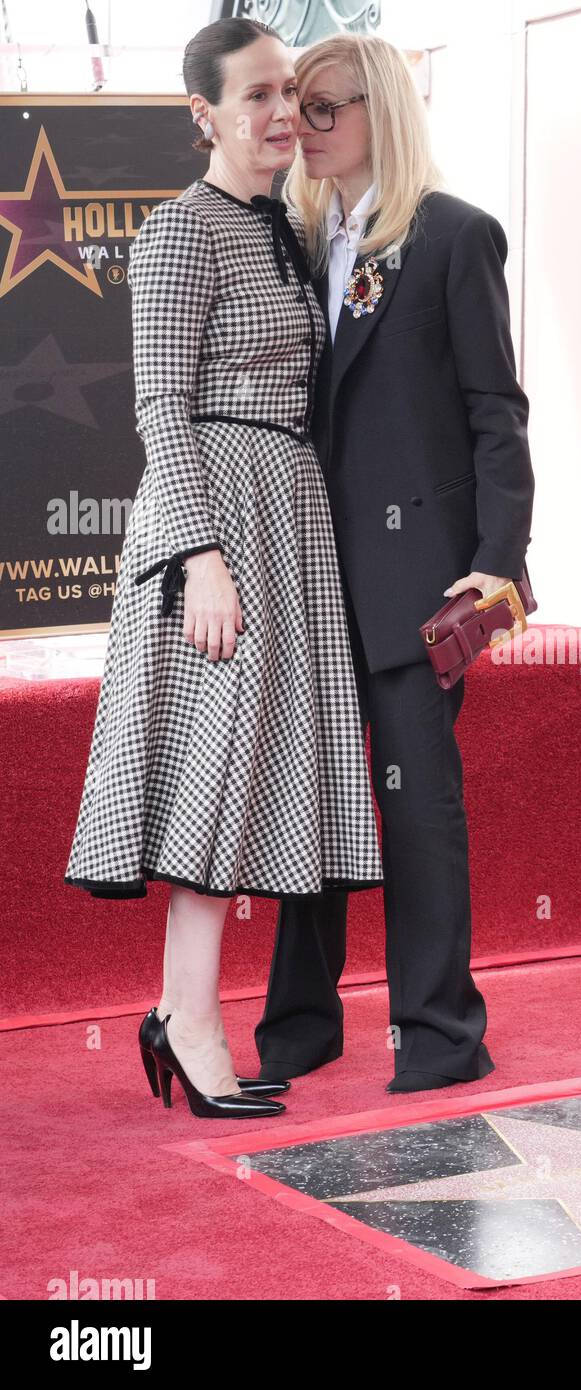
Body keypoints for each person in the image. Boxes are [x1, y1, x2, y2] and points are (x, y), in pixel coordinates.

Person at [63, 17, 383, 1118]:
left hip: (284, 518)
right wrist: (202, 557)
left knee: (246, 782)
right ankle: (187, 1020)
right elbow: (159, 402)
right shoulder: (180, 232)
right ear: (201, 114)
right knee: (213, 773)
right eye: (253, 96)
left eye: (288, 92)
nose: (280, 113)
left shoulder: (284, 230)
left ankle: (181, 1011)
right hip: (216, 526)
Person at [254, 33, 534, 1095]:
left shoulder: (457, 237)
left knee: (415, 803)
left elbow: (495, 414)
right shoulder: (291, 235)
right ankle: (299, 1025)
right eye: (292, 106)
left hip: (419, 577)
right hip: (308, 574)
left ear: (380, 112)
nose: (301, 127)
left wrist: (492, 563)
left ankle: (439, 1031)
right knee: (307, 801)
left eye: (321, 107)